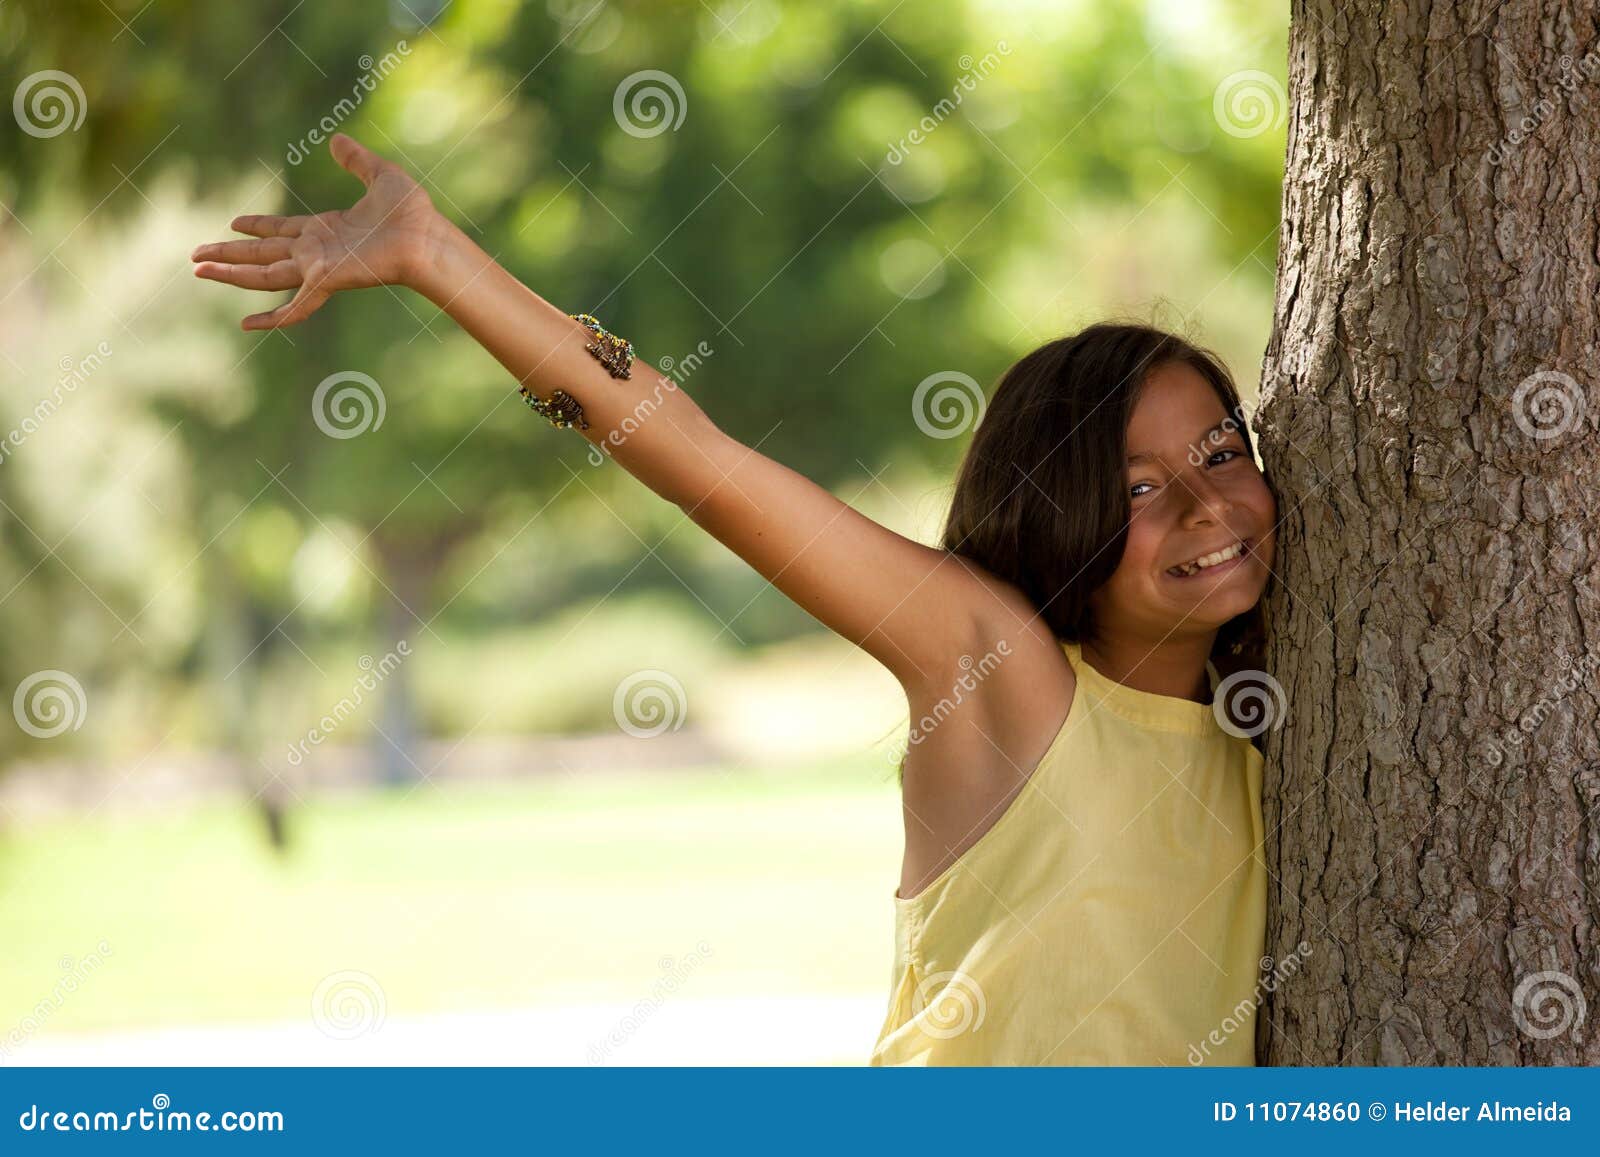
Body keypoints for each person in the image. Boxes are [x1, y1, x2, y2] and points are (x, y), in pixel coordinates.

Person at [191, 133, 1280, 1065]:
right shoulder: (1003, 668)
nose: (1206, 505)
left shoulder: (1269, 735)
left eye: (1222, 452)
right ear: (1059, 510)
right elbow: (696, 457)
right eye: (1140, 487)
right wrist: (438, 258)